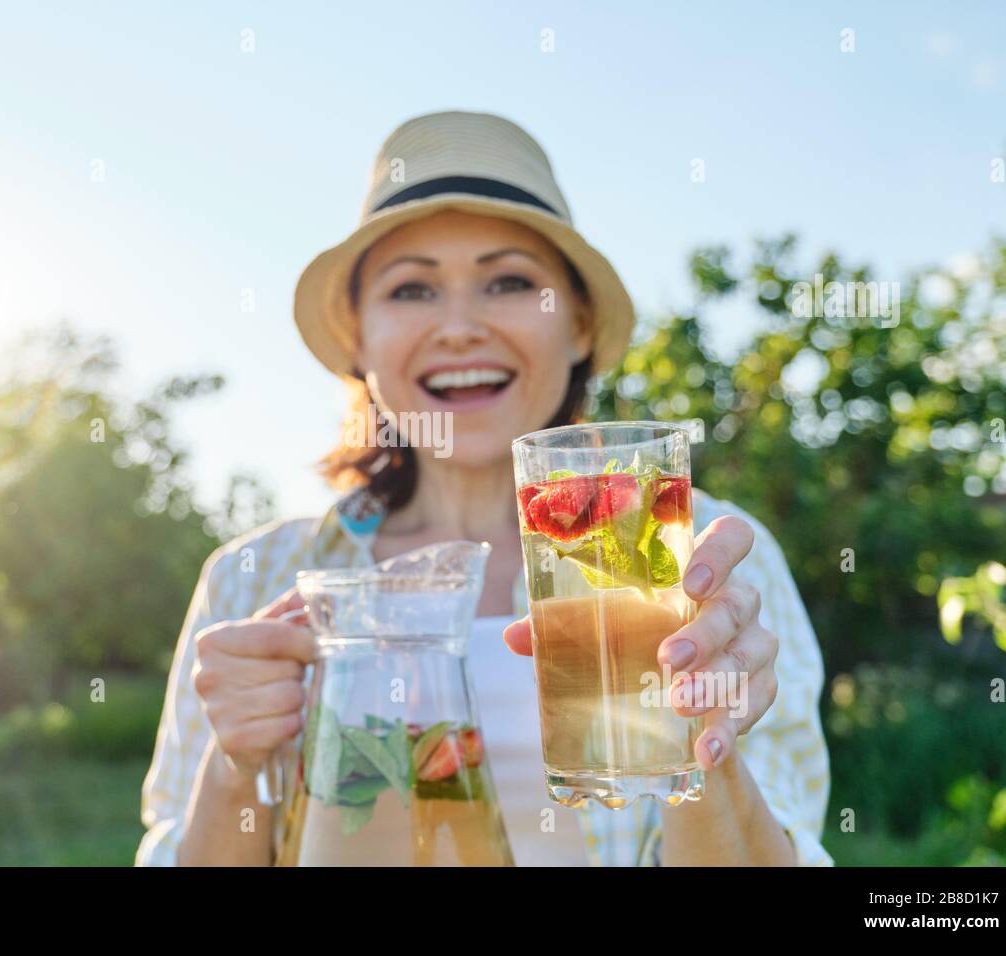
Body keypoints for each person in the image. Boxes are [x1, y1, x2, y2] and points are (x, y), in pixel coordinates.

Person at [137, 110, 832, 866]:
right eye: (412, 290)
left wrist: (708, 744)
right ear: (360, 341)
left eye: (509, 282)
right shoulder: (254, 579)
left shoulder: (707, 564)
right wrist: (237, 770)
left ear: (577, 328)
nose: (460, 327)